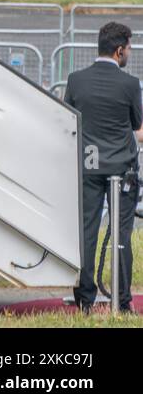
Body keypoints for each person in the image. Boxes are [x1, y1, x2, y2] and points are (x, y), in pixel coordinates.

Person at [67, 21, 141, 312]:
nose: (129, 54)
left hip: (88, 165)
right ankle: (121, 300)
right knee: (121, 234)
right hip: (122, 168)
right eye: (129, 49)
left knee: (86, 232)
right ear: (119, 50)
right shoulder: (129, 84)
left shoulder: (75, 80)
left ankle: (84, 299)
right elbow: (137, 127)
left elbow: (70, 120)